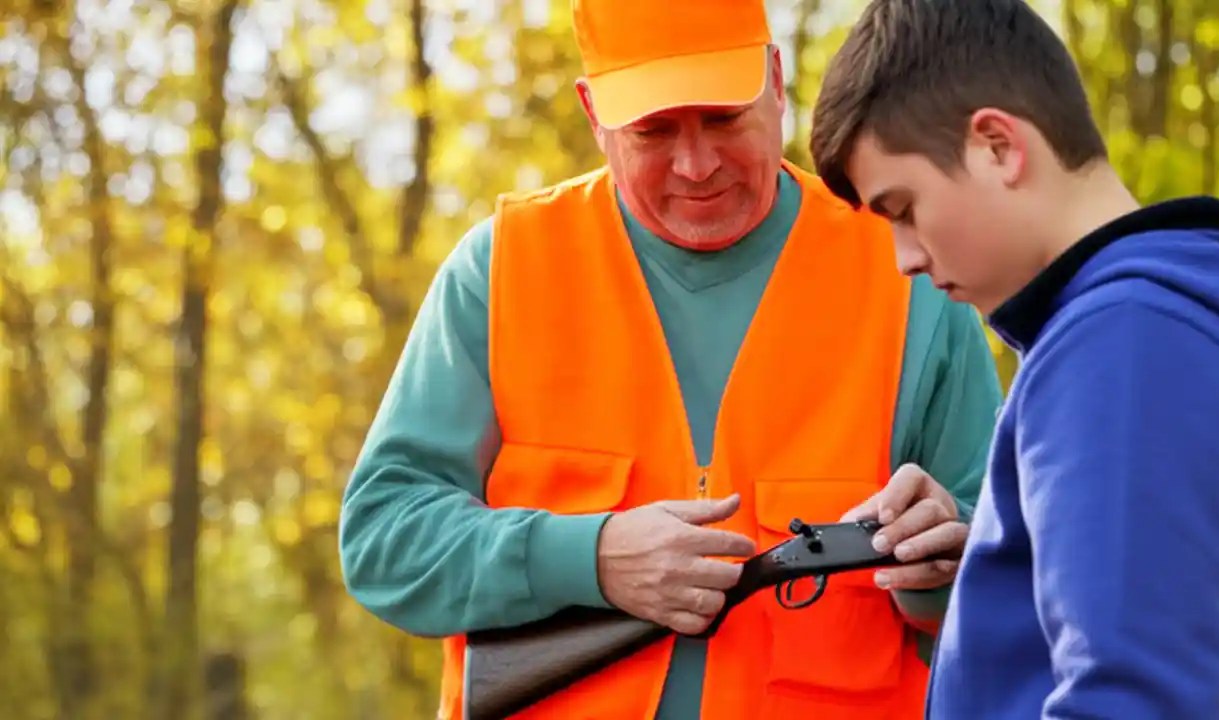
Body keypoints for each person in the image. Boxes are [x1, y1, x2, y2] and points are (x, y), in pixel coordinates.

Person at [338, 0, 1004, 717]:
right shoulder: (501, 271)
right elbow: (384, 538)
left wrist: (937, 567)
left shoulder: (910, 277)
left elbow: (1014, 591)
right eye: (654, 131)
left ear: (775, 84)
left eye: (722, 118)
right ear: (594, 115)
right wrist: (589, 558)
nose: (696, 164)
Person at [809, 0, 1219, 718]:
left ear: (998, 145)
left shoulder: (1119, 345)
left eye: (903, 209)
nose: (903, 259)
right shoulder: (1188, 315)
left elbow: (1127, 696)